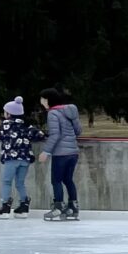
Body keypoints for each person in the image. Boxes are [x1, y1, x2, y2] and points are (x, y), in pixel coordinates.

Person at [0, 97, 44, 217]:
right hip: (25, 159)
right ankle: (24, 205)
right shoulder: (27, 126)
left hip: (11, 158)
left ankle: (5, 206)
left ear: (9, 113)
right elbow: (40, 135)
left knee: (7, 181)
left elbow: (0, 137)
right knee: (20, 183)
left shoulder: (4, 127)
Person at [40, 88, 82, 221]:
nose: (41, 102)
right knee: (68, 180)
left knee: (56, 180)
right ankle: (73, 208)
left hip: (61, 154)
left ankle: (58, 207)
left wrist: (46, 151)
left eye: (42, 99)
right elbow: (78, 131)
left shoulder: (53, 113)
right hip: (73, 152)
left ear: (47, 100)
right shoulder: (69, 112)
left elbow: (55, 134)